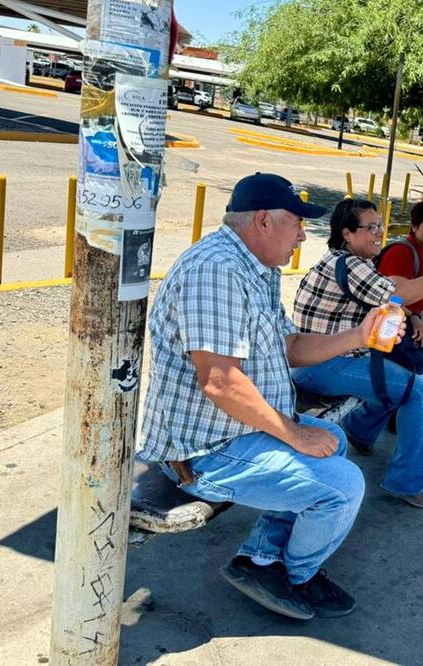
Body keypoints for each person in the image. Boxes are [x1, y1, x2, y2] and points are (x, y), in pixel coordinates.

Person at [139, 173, 383, 621]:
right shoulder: (216, 271)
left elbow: (290, 347)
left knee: (332, 439)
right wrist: (293, 434)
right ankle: (297, 575)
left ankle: (261, 559)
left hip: (236, 431)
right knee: (343, 486)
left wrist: (360, 334)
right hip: (204, 450)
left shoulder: (257, 269)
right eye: (296, 223)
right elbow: (219, 381)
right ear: (264, 222)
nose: (302, 236)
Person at [291, 199, 423, 509]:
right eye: (370, 228)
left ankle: (361, 430)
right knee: (417, 390)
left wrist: (413, 316)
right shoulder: (350, 264)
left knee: (402, 373)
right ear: (347, 233)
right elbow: (393, 293)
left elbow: (385, 293)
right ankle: (407, 482)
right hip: (321, 364)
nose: (379, 233)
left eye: (381, 226)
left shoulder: (349, 261)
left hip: (324, 359)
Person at [375, 193, 423, 387]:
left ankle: (413, 393)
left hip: (406, 323)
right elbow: (394, 296)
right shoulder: (402, 252)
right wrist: (414, 318)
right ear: (415, 225)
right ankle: (406, 396)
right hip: (387, 325)